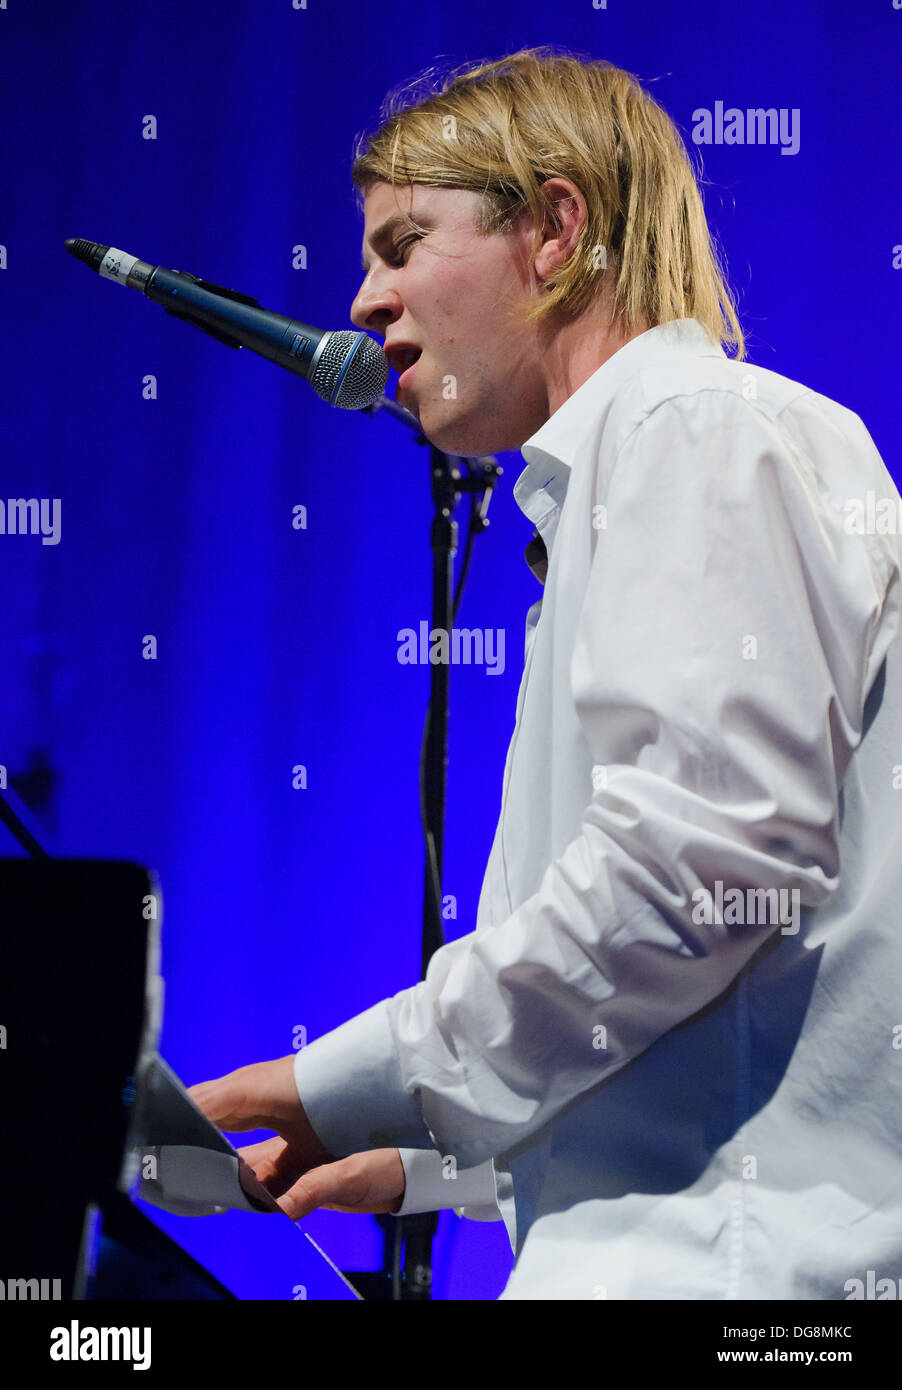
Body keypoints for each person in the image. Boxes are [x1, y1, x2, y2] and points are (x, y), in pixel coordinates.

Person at [189, 46, 902, 1299]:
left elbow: (693, 877)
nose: (364, 300)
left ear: (554, 229)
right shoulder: (631, 476)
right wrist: (434, 1156)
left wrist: (337, 1079)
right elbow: (707, 1042)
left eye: (402, 245)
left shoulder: (691, 429)